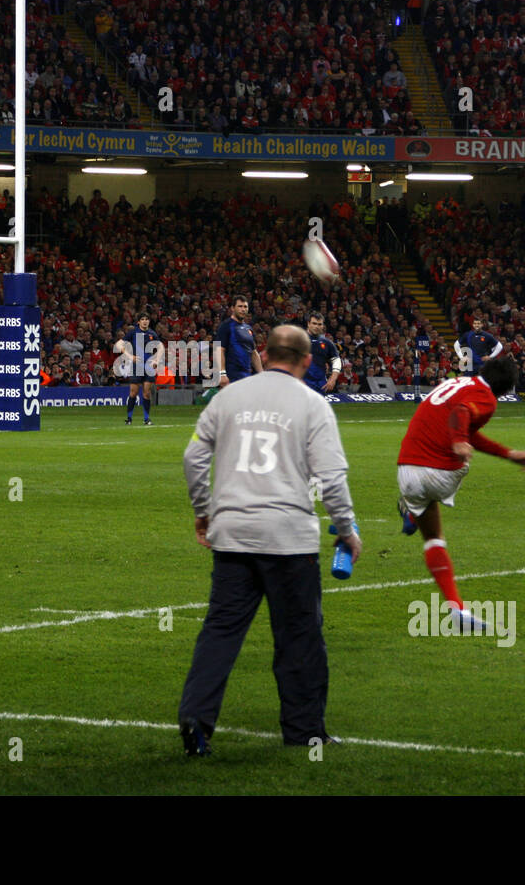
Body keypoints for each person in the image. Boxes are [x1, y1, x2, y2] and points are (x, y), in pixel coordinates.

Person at [179, 324, 361, 756]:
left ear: (263, 351)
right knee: (299, 636)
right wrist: (348, 529)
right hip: (288, 540)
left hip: (233, 536)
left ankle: (196, 718)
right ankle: (305, 731)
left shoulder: (229, 398)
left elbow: (192, 458)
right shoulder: (312, 404)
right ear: (307, 360)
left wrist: (204, 511)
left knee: (221, 632)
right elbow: (332, 478)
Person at [396, 359, 525, 630]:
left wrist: (508, 454)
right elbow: (461, 413)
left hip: (406, 470)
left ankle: (457, 610)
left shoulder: (456, 382)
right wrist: (459, 439)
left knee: (433, 538)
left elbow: (463, 421)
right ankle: (413, 514)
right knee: (454, 472)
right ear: (507, 389)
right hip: (439, 473)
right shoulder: (486, 397)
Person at [117, 311, 160, 425]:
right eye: (143, 319)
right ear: (138, 322)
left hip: (149, 366)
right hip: (137, 366)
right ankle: (129, 418)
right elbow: (119, 345)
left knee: (146, 393)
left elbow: (160, 348)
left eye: (147, 319)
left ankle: (146, 419)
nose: (145, 321)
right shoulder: (133, 332)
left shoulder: (153, 334)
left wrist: (156, 360)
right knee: (133, 393)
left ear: (149, 321)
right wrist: (130, 356)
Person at [214, 296, 262, 387]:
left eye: (245, 307)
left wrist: (261, 373)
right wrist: (222, 374)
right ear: (233, 308)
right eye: (240, 306)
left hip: (247, 376)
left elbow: (254, 353)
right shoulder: (225, 326)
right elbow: (219, 350)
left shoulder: (248, 328)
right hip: (231, 376)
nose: (243, 309)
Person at [305, 312, 342, 393]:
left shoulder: (327, 342)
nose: (316, 327)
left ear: (323, 326)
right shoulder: (297, 339)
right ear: (308, 324)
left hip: (320, 385)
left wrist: (333, 379)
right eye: (314, 323)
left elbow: (336, 360)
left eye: (319, 324)